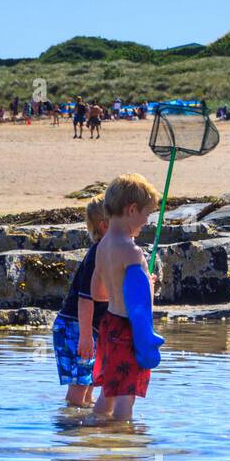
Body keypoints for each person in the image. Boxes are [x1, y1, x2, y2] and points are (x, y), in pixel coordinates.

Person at [90, 174, 162, 419]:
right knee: (125, 395)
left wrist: (119, 287)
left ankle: (95, 432)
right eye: (146, 214)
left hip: (109, 325)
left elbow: (96, 293)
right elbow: (141, 306)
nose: (146, 222)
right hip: (128, 330)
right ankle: (123, 444)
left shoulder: (102, 246)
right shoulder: (132, 251)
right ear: (132, 210)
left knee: (108, 392)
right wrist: (149, 284)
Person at [51, 196, 109, 407]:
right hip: (76, 327)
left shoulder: (108, 251)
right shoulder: (98, 253)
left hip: (87, 328)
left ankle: (86, 430)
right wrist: (85, 337)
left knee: (89, 385)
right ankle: (74, 430)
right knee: (78, 390)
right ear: (105, 226)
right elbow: (86, 298)